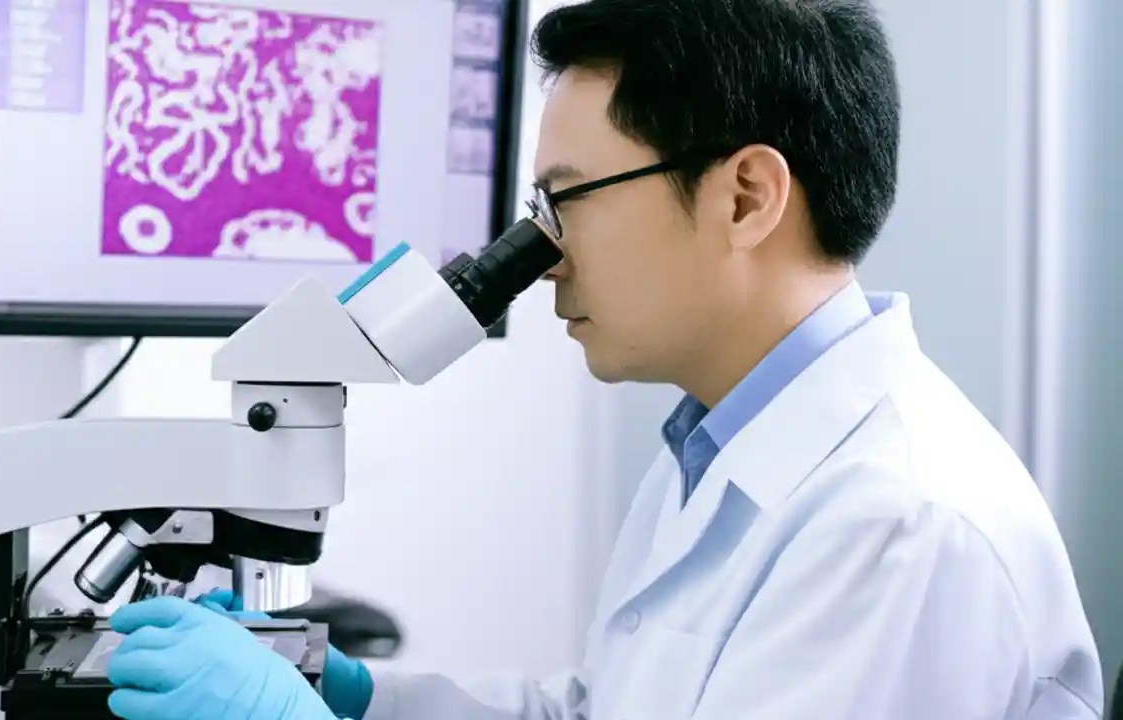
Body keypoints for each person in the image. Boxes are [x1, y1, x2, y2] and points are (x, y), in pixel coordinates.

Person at [102, 0, 1105, 718]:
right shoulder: (717, 447)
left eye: (563, 202)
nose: (540, 262)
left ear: (745, 197)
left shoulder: (898, 528)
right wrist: (358, 698)